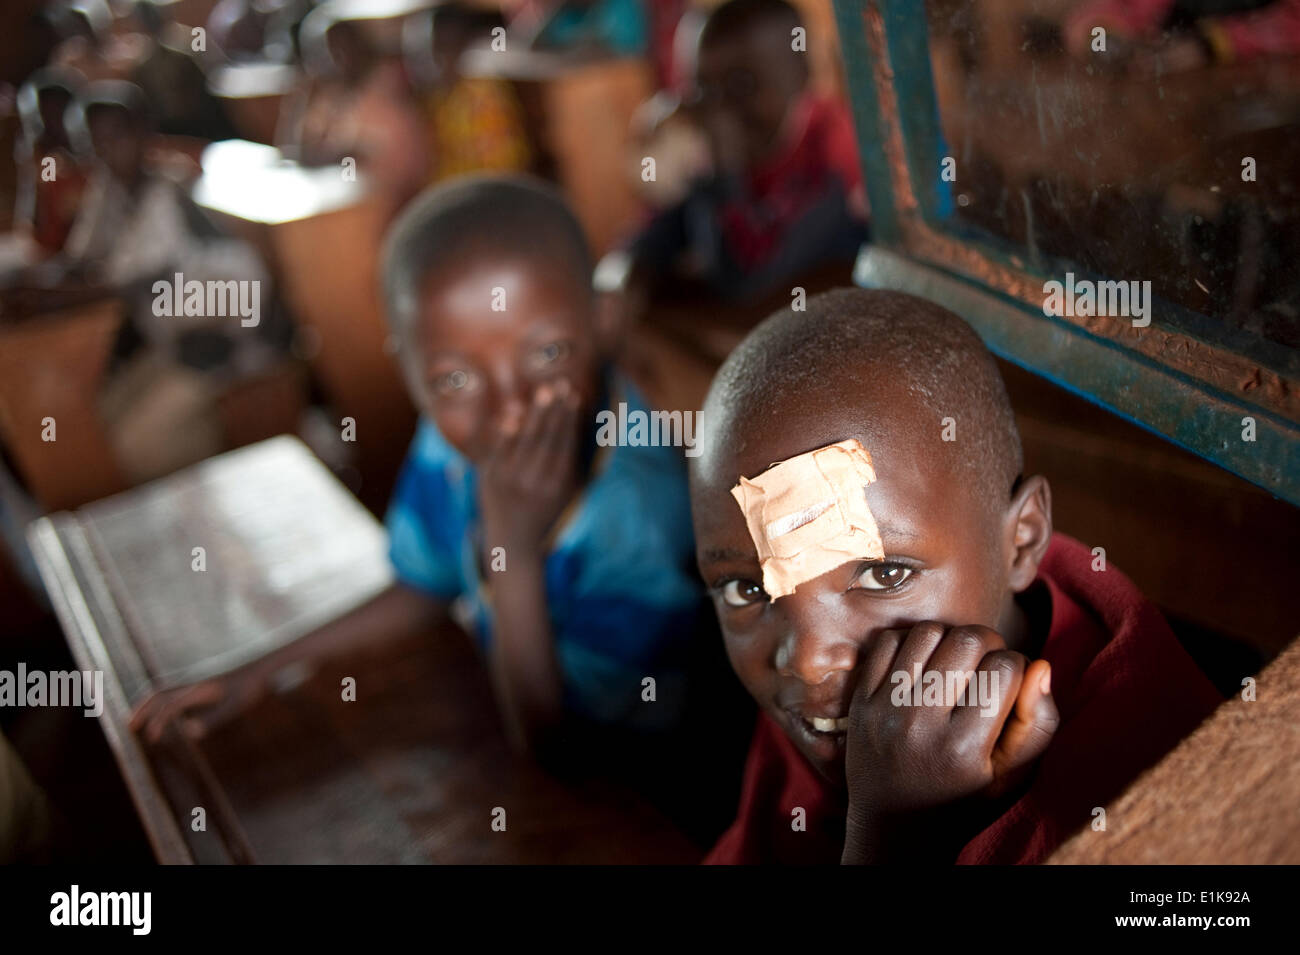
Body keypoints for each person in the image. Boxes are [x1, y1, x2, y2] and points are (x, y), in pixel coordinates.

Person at [689, 288, 1222, 863]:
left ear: (1021, 541)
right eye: (748, 588)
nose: (808, 659)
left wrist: (898, 836)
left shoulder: (1154, 788)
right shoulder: (834, 702)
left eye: (884, 573)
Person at [621, 0, 866, 306]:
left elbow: (746, 280)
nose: (720, 109)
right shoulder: (720, 151)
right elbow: (657, 232)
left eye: (743, 84)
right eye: (704, 90)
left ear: (801, 71)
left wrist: (723, 174)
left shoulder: (836, 153)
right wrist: (625, 274)